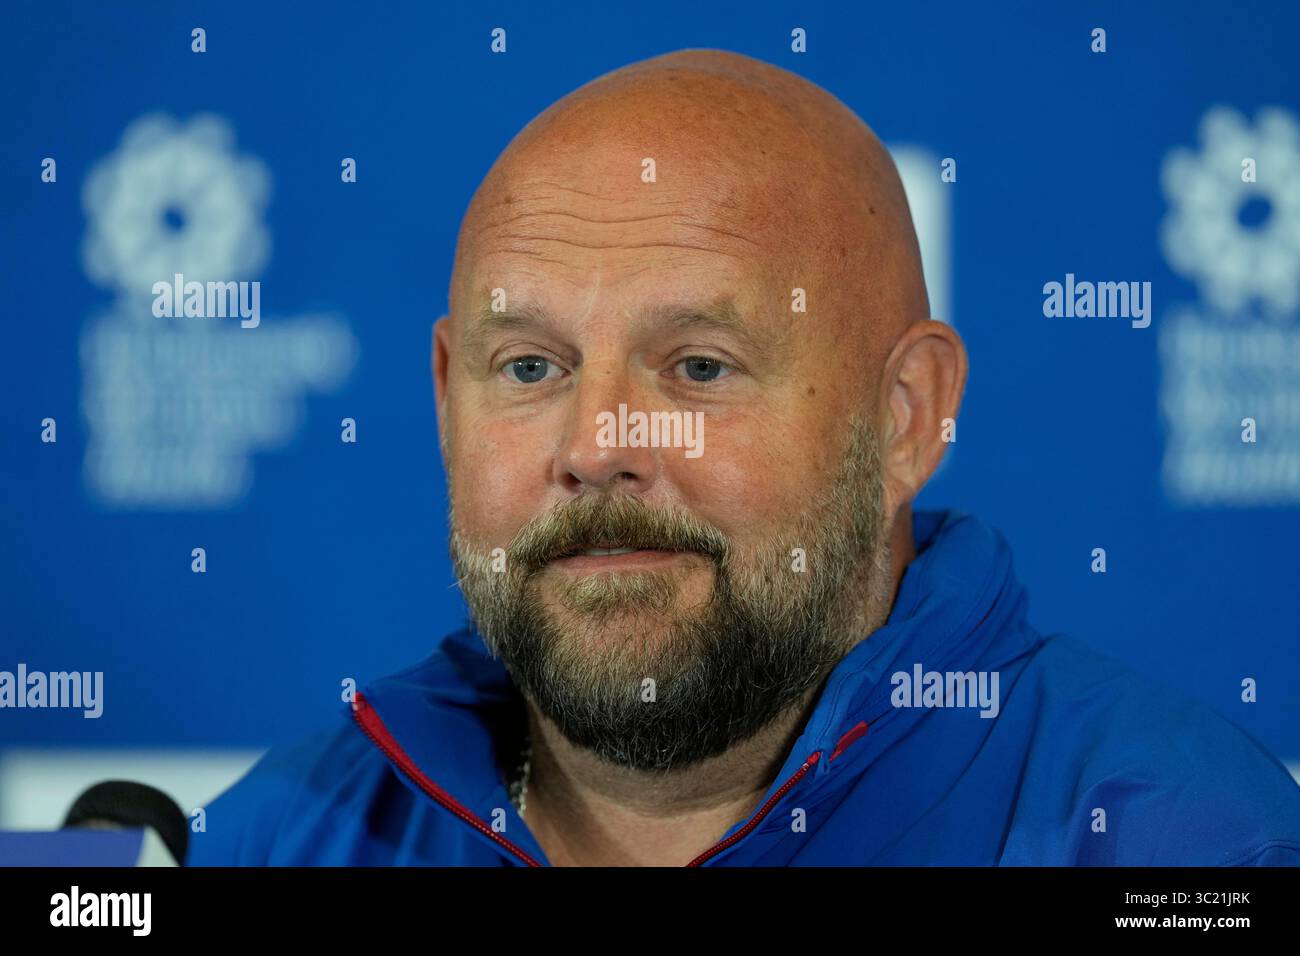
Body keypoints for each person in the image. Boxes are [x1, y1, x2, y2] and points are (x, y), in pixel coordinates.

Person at [188, 49, 1300, 867]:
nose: (596, 446)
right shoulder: (282, 835)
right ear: (444, 398)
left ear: (907, 415)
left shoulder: (1181, 848)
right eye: (529, 368)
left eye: (700, 368)